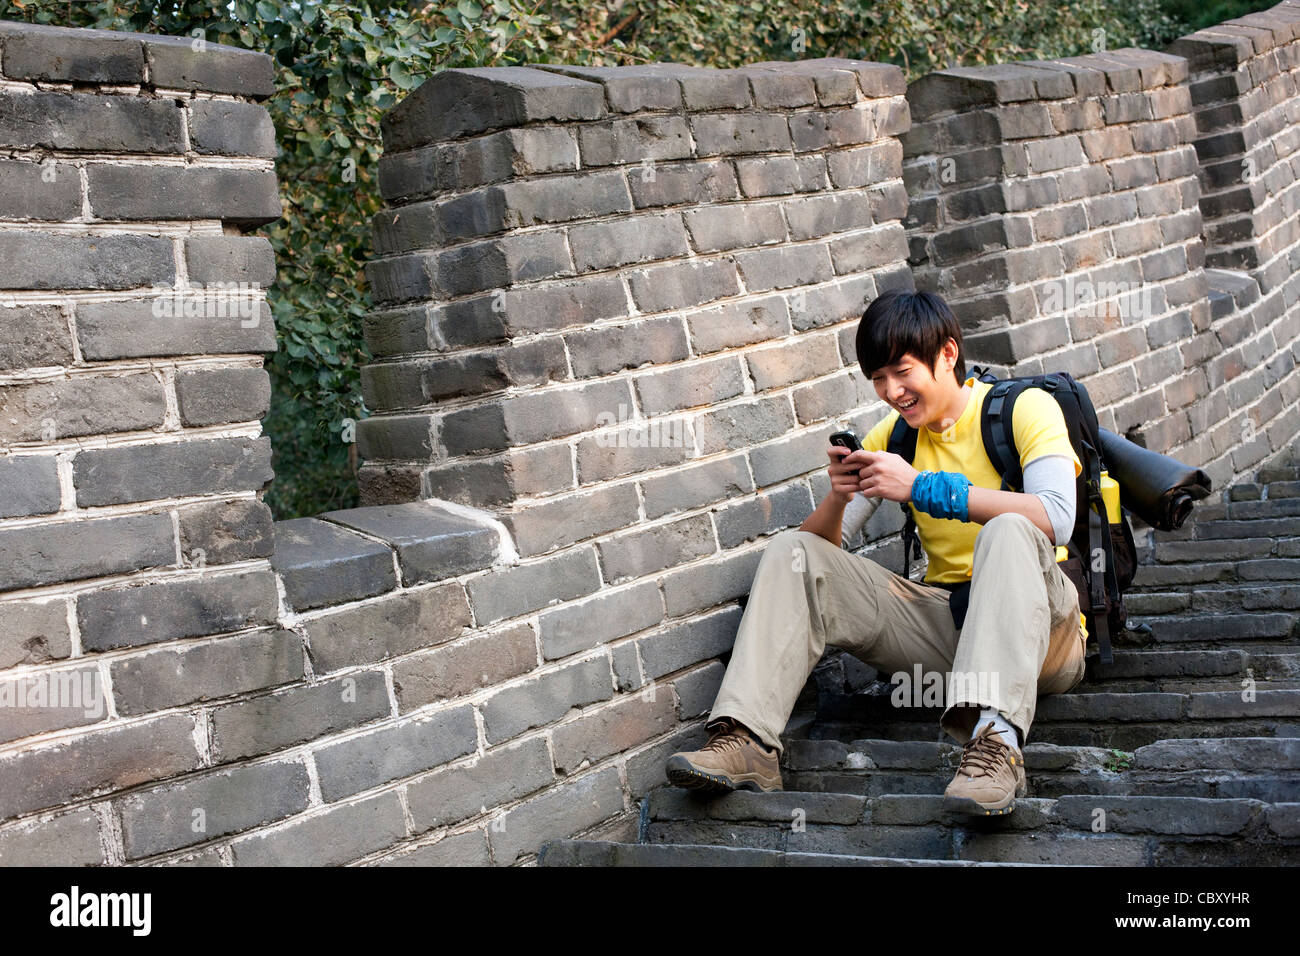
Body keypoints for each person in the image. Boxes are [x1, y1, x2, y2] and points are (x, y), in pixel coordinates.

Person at [664, 289, 1089, 816]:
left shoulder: (1026, 409)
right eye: (878, 379)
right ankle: (749, 741)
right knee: (795, 550)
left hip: (1045, 635)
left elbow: (1056, 515)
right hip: (951, 637)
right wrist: (839, 498)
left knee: (1006, 528)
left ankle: (996, 747)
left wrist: (924, 489)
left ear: (948, 355)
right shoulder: (894, 437)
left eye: (902, 372)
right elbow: (819, 559)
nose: (891, 391)